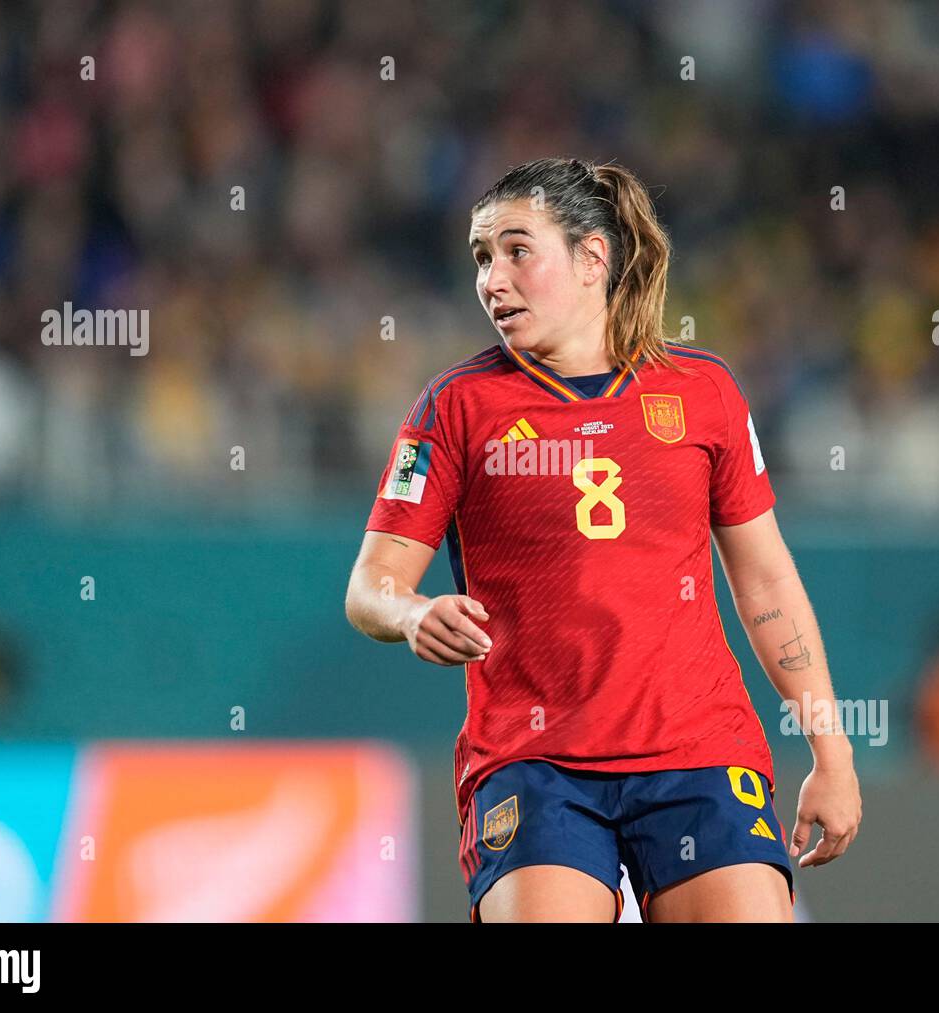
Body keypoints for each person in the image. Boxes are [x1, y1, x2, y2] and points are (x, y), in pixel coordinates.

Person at [345, 157, 861, 922]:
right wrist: (412, 613)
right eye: (482, 257)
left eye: (518, 250)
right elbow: (369, 587)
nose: (492, 279)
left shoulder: (702, 392)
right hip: (535, 763)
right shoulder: (453, 409)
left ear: (593, 259)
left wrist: (833, 750)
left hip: (699, 753)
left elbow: (766, 583)